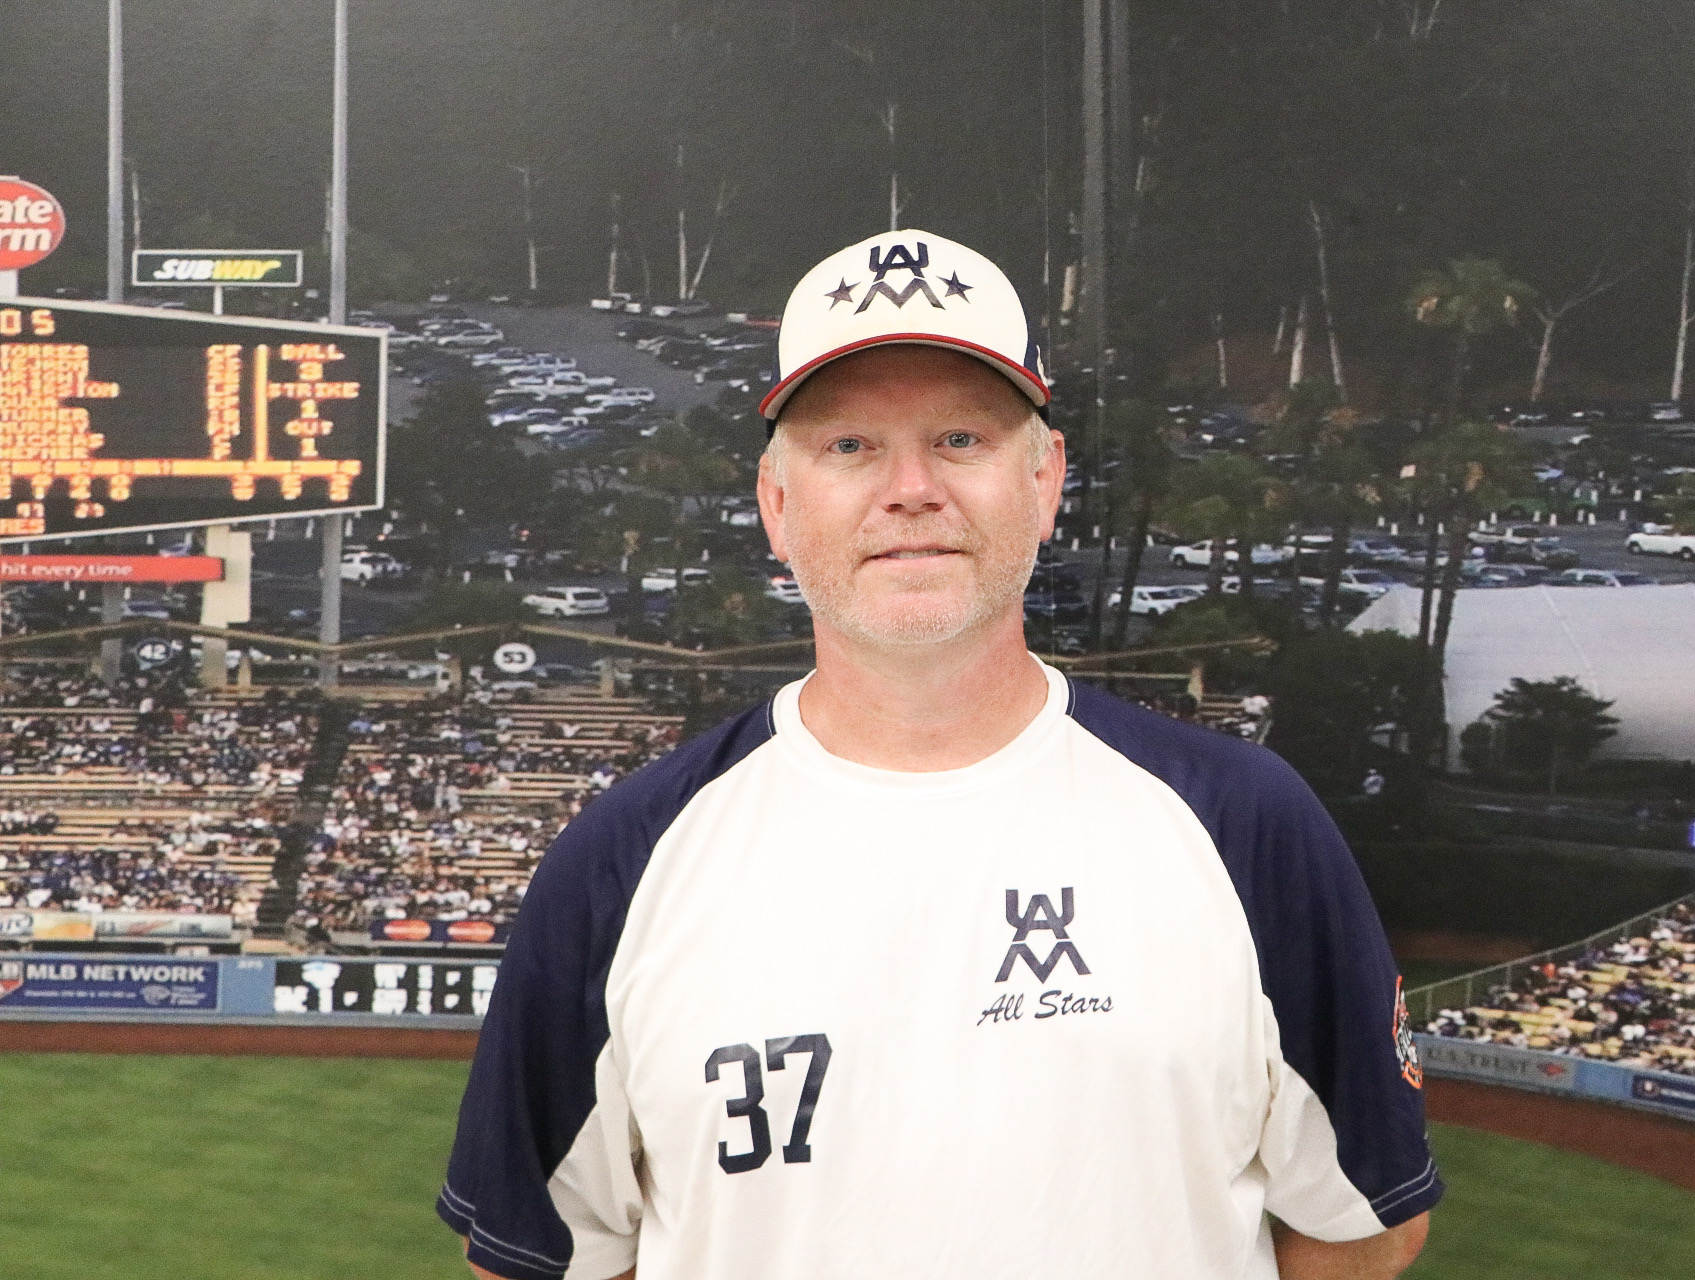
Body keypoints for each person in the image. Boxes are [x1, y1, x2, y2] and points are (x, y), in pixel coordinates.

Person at [440, 230, 1439, 1280]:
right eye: (849, 446)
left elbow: (1365, 1217)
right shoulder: (623, 858)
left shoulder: (1241, 820)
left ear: (1046, 481)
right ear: (777, 503)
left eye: (961, 438)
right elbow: (539, 1258)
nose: (911, 487)